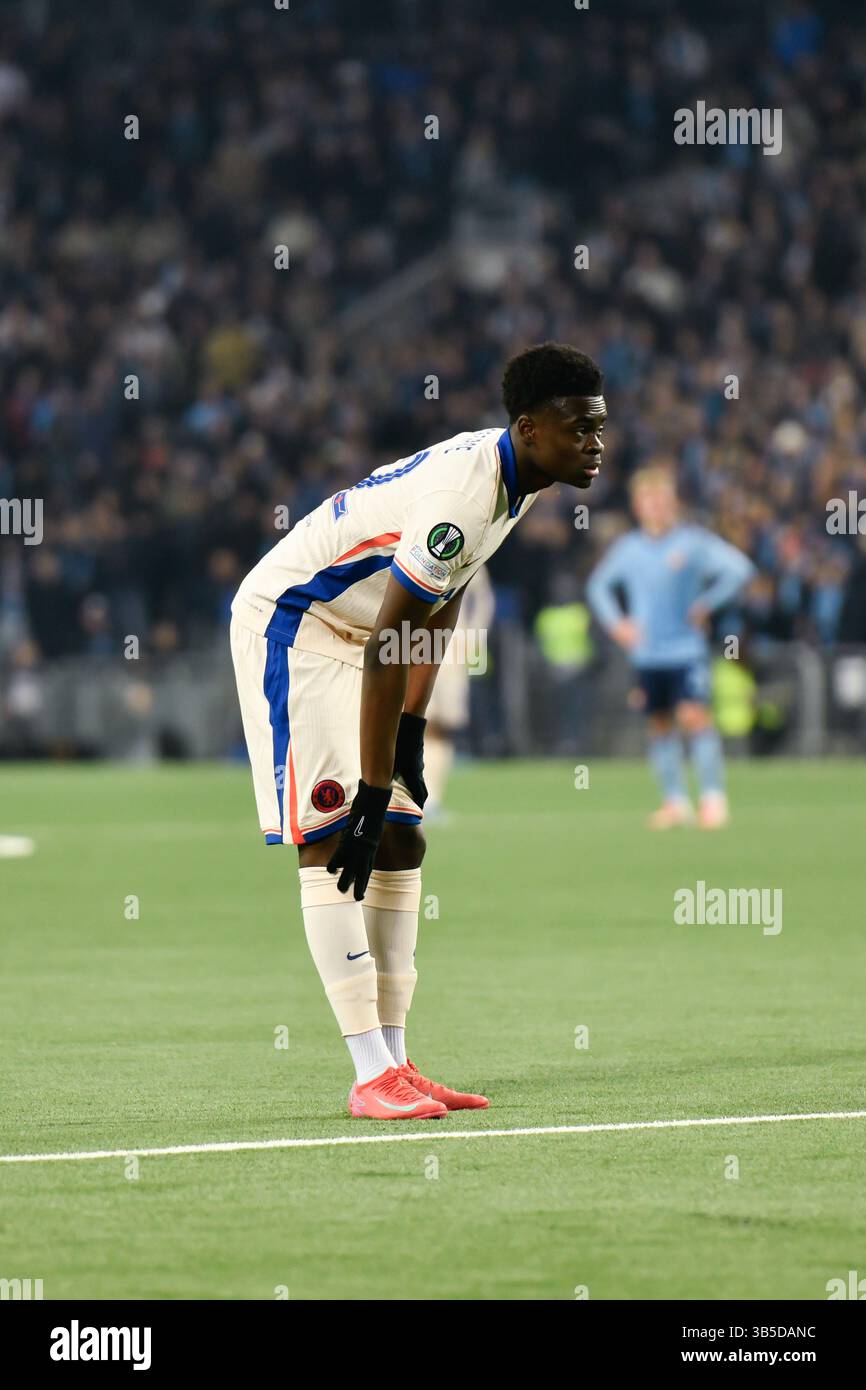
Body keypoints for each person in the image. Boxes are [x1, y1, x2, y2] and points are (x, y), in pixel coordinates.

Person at [229, 342, 606, 1119]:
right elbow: (388, 640)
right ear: (531, 428)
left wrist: (411, 731)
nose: (596, 444)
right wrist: (370, 784)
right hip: (294, 626)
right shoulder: (463, 497)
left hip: (361, 633)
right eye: (579, 429)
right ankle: (369, 1075)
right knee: (336, 834)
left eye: (600, 427)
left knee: (402, 837)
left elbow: (446, 601)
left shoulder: (517, 482)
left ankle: (396, 1061)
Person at [587, 466, 754, 829]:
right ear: (637, 505)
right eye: (648, 500)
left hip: (685, 650)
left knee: (694, 716)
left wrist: (707, 603)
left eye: (661, 500)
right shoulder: (629, 549)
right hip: (647, 654)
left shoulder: (692, 543)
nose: (655, 507)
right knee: (660, 724)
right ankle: (675, 801)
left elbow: (739, 570)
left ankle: (713, 799)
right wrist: (619, 625)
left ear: (672, 503)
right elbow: (598, 587)